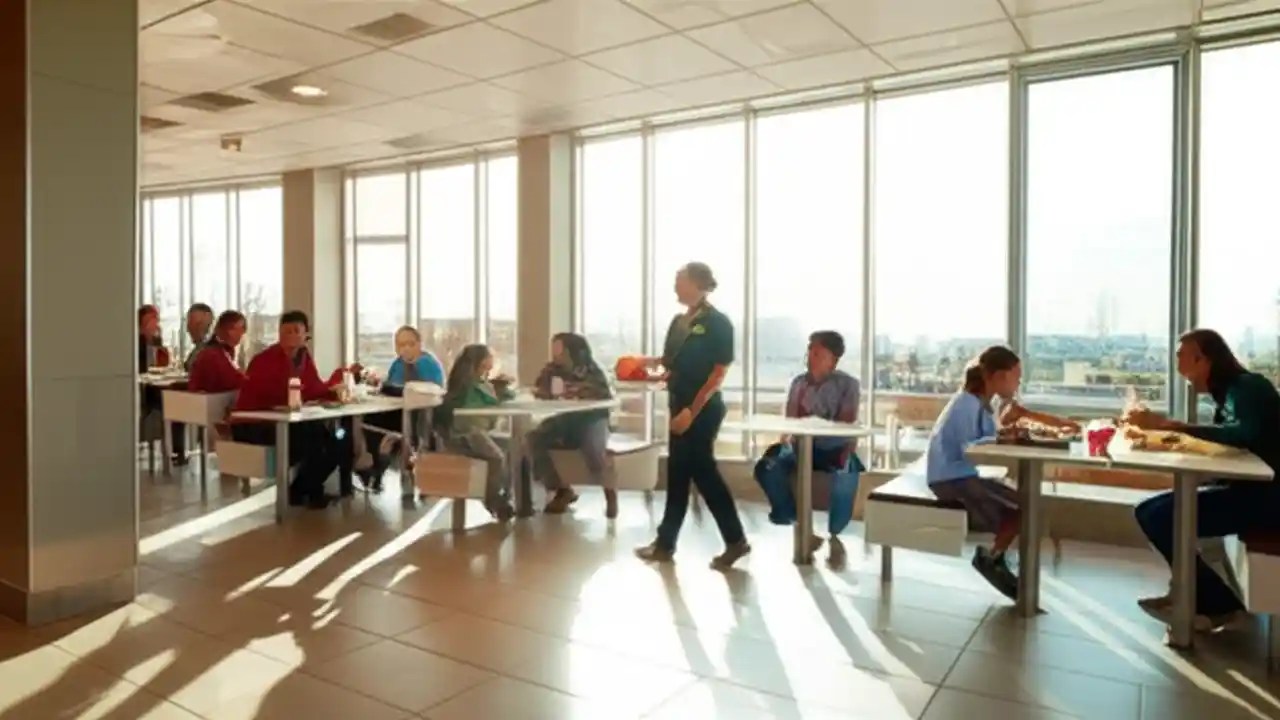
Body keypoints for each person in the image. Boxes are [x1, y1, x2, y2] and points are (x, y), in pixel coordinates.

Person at [1128, 329, 1280, 630]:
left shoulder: (1246, 388)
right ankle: (1191, 593)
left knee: (1162, 517)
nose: (1176, 364)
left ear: (1204, 361)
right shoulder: (1230, 392)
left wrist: (1173, 427)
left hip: (1268, 498)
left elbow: (1241, 435)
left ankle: (1217, 604)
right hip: (1252, 490)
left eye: (1181, 356)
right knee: (1147, 510)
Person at [926, 345, 1079, 599]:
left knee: (1028, 506)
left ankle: (997, 558)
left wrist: (1006, 435)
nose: (1018, 384)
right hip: (950, 479)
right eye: (1016, 377)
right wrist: (1005, 438)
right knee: (1023, 511)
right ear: (997, 377)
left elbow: (984, 440)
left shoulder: (980, 404)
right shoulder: (967, 404)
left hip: (961, 475)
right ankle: (993, 558)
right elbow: (973, 449)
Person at [636, 262, 750, 570]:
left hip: (703, 409)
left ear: (698, 284)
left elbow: (717, 375)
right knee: (678, 474)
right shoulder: (677, 322)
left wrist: (691, 412)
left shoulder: (718, 323)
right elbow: (668, 363)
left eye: (680, 280)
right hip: (678, 406)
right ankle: (666, 543)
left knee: (703, 473)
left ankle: (734, 540)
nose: (675, 286)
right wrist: (642, 368)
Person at [753, 330, 863, 567]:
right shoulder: (798, 383)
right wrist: (787, 442)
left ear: (833, 358)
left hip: (833, 449)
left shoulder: (848, 385)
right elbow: (790, 422)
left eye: (817, 352)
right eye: (809, 351)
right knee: (766, 467)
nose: (810, 356)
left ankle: (834, 533)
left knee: (846, 474)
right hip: (800, 448)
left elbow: (844, 424)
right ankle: (797, 520)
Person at [231, 311, 341, 509]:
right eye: (285, 331)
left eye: (295, 331)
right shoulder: (264, 359)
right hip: (254, 424)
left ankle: (302, 490)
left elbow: (313, 388)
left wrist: (335, 389)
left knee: (336, 441)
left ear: (305, 335)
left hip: (288, 421)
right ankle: (304, 492)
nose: (290, 335)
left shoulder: (304, 357)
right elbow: (265, 394)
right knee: (315, 437)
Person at [527, 333, 615, 518]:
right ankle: (560, 488)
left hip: (593, 418)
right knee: (534, 438)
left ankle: (610, 493)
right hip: (566, 418)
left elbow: (602, 393)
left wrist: (577, 391)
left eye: (558, 348)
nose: (555, 353)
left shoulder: (590, 369)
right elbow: (540, 389)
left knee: (594, 448)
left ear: (571, 350)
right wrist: (545, 392)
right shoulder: (551, 370)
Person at [359, 326, 446, 495]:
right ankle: (373, 466)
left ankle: (380, 467)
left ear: (419, 344)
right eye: (400, 345)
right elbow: (391, 387)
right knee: (368, 420)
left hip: (421, 416)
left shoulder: (428, 364)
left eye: (410, 344)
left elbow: (431, 392)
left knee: (380, 426)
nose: (405, 348)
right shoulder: (397, 364)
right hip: (397, 411)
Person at [436, 344, 517, 520]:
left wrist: (502, 390)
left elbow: (493, 403)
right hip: (465, 434)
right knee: (497, 457)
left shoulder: (482, 383)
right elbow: (479, 408)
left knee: (513, 447)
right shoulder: (466, 386)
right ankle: (494, 501)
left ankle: (505, 497)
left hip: (479, 431)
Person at [188, 310, 247, 394]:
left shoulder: (224, 351)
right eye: (233, 328)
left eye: (241, 329)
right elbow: (233, 380)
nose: (238, 334)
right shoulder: (212, 355)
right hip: (206, 404)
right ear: (220, 329)